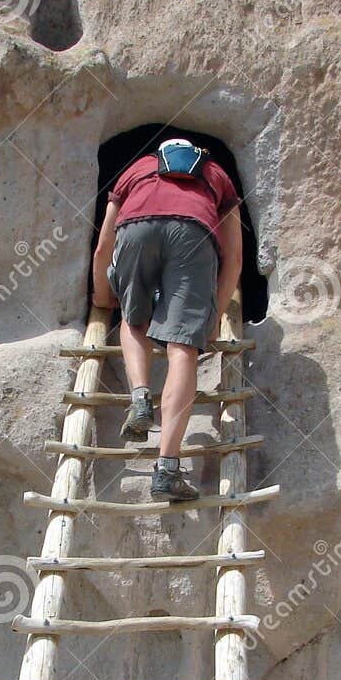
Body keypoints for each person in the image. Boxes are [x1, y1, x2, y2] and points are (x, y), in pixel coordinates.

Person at [91, 136, 243, 501]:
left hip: (135, 230)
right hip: (194, 234)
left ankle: (140, 398)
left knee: (133, 320)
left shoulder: (137, 170)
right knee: (183, 348)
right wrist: (212, 317)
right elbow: (235, 258)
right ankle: (167, 471)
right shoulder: (216, 173)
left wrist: (101, 296)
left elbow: (103, 247)